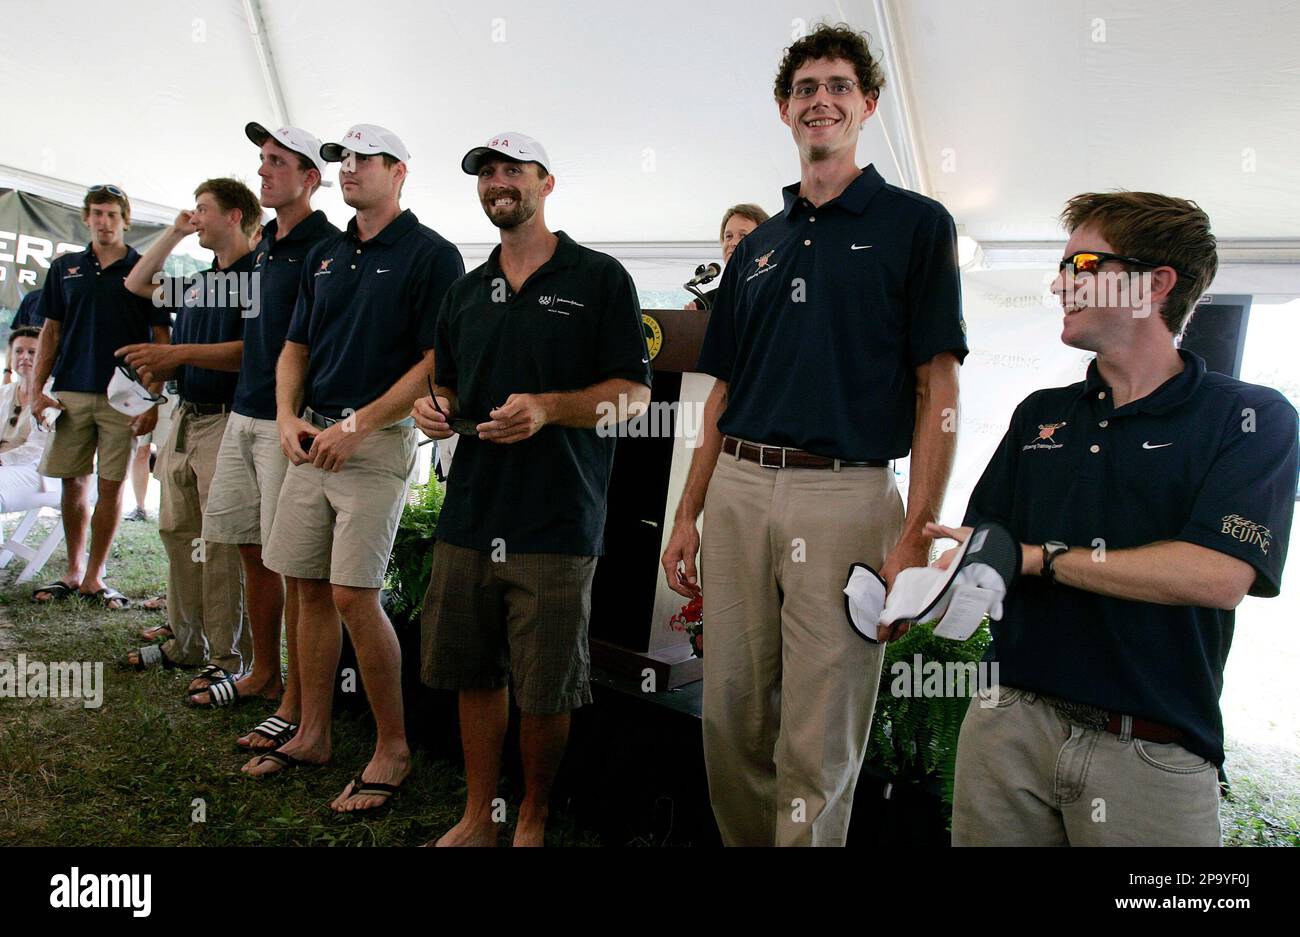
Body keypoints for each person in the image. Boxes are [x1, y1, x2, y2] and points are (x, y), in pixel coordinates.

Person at [660, 23, 967, 846]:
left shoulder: (917, 225)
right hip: (738, 490)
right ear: (784, 111)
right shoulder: (756, 247)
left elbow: (939, 385)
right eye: (805, 89)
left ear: (868, 104)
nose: (820, 100)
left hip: (847, 497)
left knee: (818, 735)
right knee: (727, 718)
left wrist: (914, 532)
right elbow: (723, 390)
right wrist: (688, 510)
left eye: (838, 86)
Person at [938, 192, 1298, 846]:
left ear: (1155, 283)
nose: (1059, 282)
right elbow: (986, 547)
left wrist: (1040, 557)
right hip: (1007, 725)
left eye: (1082, 263)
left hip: (1152, 755)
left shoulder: (1251, 418)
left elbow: (1216, 575)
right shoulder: (1039, 413)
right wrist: (931, 585)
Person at [415, 133, 652, 847]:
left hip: (557, 521)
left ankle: (533, 816)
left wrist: (549, 407)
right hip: (469, 517)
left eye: (511, 170)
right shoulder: (464, 290)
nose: (497, 182)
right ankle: (480, 813)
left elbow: (633, 398)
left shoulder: (601, 278)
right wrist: (436, 409)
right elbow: (447, 383)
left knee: (547, 685)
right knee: (473, 672)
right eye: (486, 173)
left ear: (547, 183)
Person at [252, 125, 464, 818]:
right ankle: (312, 732)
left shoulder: (432, 255)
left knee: (352, 593)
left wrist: (360, 423)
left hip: (375, 441)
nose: (349, 169)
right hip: (311, 434)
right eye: (343, 159)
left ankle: (393, 748)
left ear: (400, 171)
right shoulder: (328, 252)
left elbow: (436, 363)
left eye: (366, 159)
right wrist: (288, 415)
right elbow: (294, 345)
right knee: (305, 584)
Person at [194, 125, 339, 747]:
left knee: (297, 567)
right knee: (250, 550)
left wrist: (295, 413)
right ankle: (262, 672)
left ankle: (298, 703)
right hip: (243, 414)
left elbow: (315, 345)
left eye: (277, 162)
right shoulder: (264, 248)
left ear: (311, 177)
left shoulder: (329, 247)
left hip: (291, 424)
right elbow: (254, 344)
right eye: (260, 161)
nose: (263, 172)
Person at [119, 178, 260, 688]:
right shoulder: (200, 279)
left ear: (235, 216)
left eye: (203, 210)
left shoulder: (258, 277)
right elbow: (136, 283)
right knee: (178, 532)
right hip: (184, 416)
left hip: (228, 420)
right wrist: (174, 233)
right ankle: (186, 643)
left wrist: (176, 356)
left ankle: (230, 659)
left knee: (221, 544)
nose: (195, 216)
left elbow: (252, 353)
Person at [30, 184, 171, 608]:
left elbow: (162, 337)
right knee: (73, 484)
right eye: (96, 213)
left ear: (126, 220)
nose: (103, 221)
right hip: (70, 389)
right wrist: (35, 390)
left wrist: (153, 399)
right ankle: (73, 571)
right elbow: (50, 330)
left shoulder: (147, 270)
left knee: (112, 487)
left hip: (122, 397)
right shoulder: (65, 268)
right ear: (86, 218)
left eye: (111, 214)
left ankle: (96, 575)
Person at [0, 327, 57, 510]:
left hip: (38, 472)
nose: (24, 356)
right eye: (18, 351)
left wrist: (2, 460)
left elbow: (39, 448)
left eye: (32, 351)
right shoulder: (4, 393)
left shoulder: (53, 396)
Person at [685, 204, 769, 311]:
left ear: (766, 243)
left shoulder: (779, 292)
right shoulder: (703, 304)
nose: (733, 243)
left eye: (743, 236)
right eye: (728, 236)